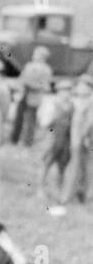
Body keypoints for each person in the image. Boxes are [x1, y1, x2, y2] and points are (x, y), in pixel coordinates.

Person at [40, 80, 75, 208]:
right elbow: (44, 122)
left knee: (62, 165)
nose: (66, 94)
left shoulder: (71, 106)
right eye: (63, 91)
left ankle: (59, 190)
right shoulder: (52, 104)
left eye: (68, 91)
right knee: (47, 163)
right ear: (59, 92)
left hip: (65, 140)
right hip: (53, 137)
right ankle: (40, 187)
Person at [12, 47, 53, 147]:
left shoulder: (46, 69)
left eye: (36, 54)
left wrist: (32, 85)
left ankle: (27, 142)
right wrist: (19, 86)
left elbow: (44, 85)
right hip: (23, 95)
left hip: (34, 97)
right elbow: (21, 79)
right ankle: (14, 140)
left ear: (42, 56)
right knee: (18, 118)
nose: (34, 55)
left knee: (30, 121)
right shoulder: (28, 66)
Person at [61, 75, 93, 205]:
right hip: (74, 140)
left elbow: (89, 122)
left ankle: (80, 195)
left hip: (85, 140)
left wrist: (84, 137)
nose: (81, 88)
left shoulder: (90, 102)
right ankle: (71, 195)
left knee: (85, 167)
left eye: (85, 86)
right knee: (75, 166)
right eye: (80, 85)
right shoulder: (74, 101)